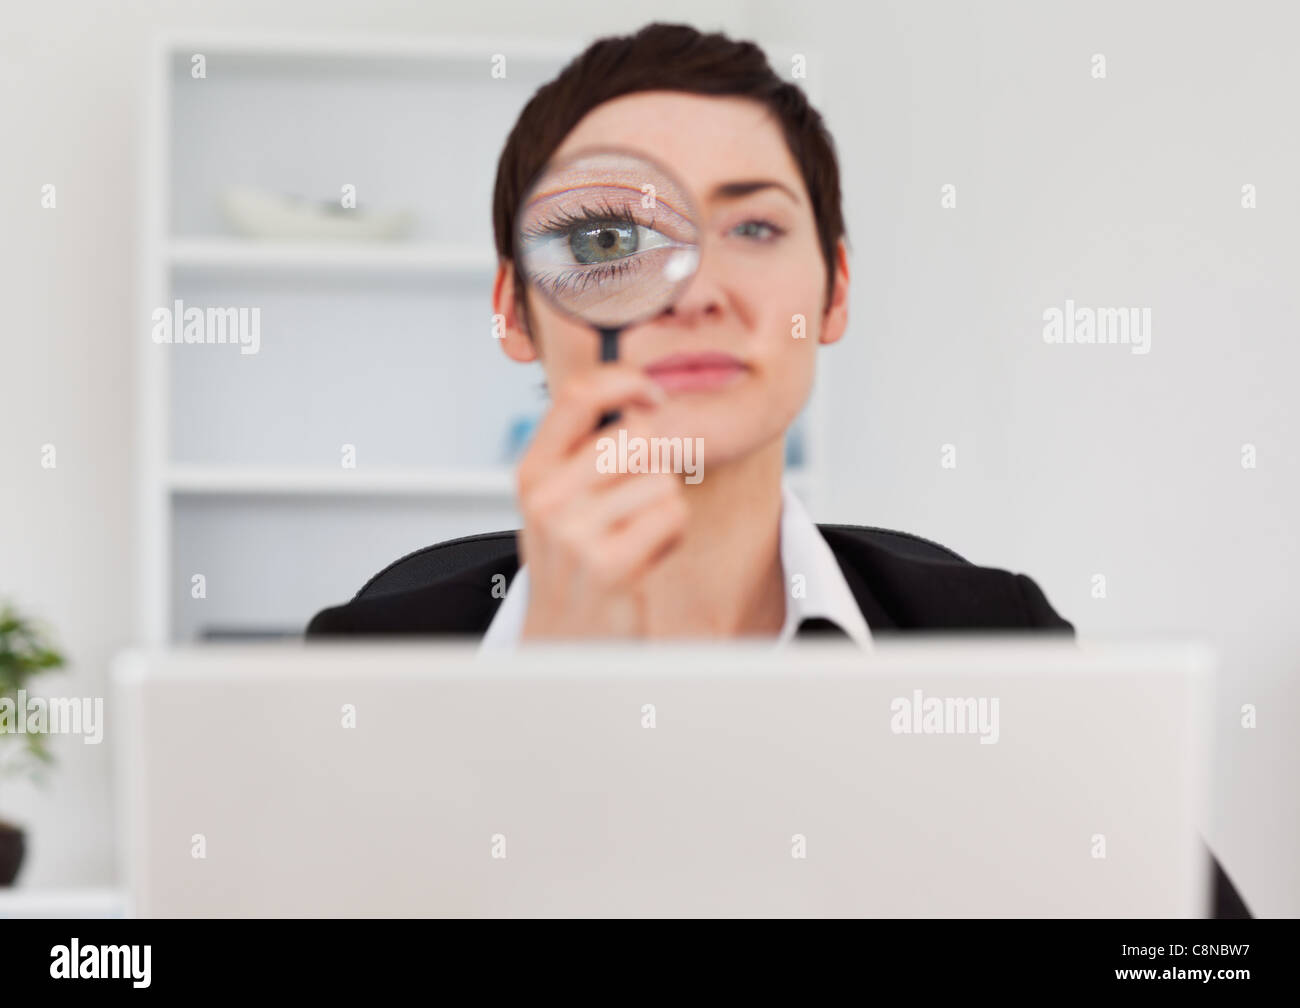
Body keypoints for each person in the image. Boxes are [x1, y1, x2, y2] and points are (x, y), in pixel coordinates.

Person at [305, 22, 1248, 919]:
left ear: (834, 290)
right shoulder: (359, 676)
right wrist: (552, 705)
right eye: (606, 240)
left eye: (752, 229)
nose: (696, 291)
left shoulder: (1003, 649)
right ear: (515, 313)